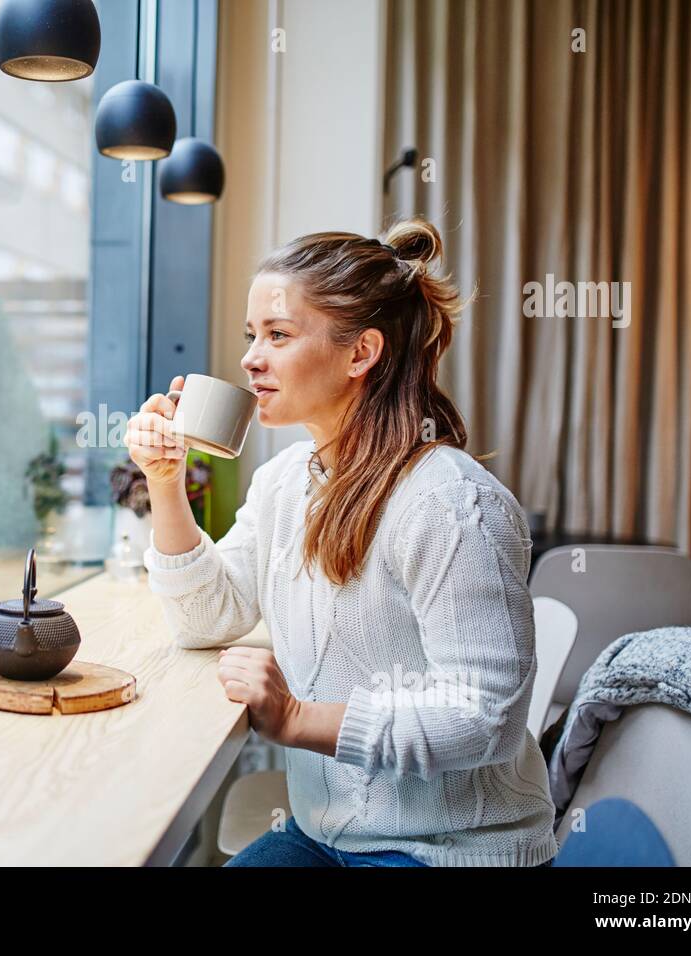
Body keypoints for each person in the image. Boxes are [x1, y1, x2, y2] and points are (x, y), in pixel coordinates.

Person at [125, 217, 558, 867]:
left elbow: (485, 718)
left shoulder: (450, 505)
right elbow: (207, 618)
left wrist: (297, 719)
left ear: (361, 353)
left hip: (451, 852)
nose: (250, 358)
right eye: (252, 336)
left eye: (278, 334)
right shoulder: (283, 486)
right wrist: (164, 482)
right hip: (326, 835)